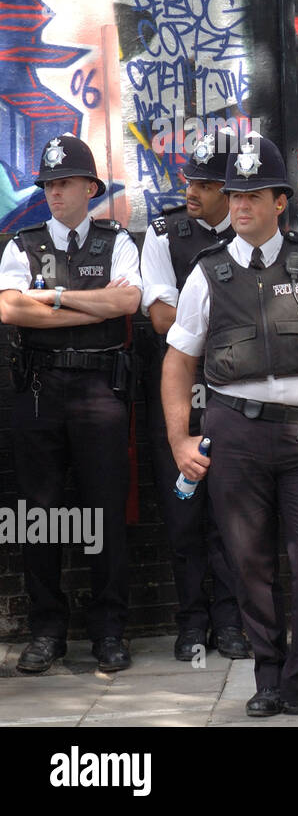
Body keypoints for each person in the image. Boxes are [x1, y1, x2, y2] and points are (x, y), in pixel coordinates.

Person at [161, 131, 298, 718]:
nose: (241, 205)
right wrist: (180, 438)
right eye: (234, 196)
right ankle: (269, 678)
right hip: (234, 433)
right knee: (248, 562)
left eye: (254, 195)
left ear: (281, 200)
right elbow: (176, 363)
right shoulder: (207, 274)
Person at [0, 134, 142, 674]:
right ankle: (46, 631)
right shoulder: (23, 243)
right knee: (40, 515)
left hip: (101, 391)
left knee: (105, 512)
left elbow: (127, 301)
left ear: (90, 187)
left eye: (64, 183)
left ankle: (109, 632)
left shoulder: (117, 242)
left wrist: (53, 297)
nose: (55, 193)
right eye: (49, 184)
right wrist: (93, 308)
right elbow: (11, 311)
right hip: (39, 391)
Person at [139, 129, 249, 663]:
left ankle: (231, 622)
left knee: (233, 515)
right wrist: (231, 318)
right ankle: (191, 622)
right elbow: (161, 319)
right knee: (183, 515)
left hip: (236, 399)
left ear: (230, 191)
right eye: (190, 180)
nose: (192, 191)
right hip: (182, 396)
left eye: (205, 184)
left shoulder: (252, 233)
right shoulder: (164, 233)